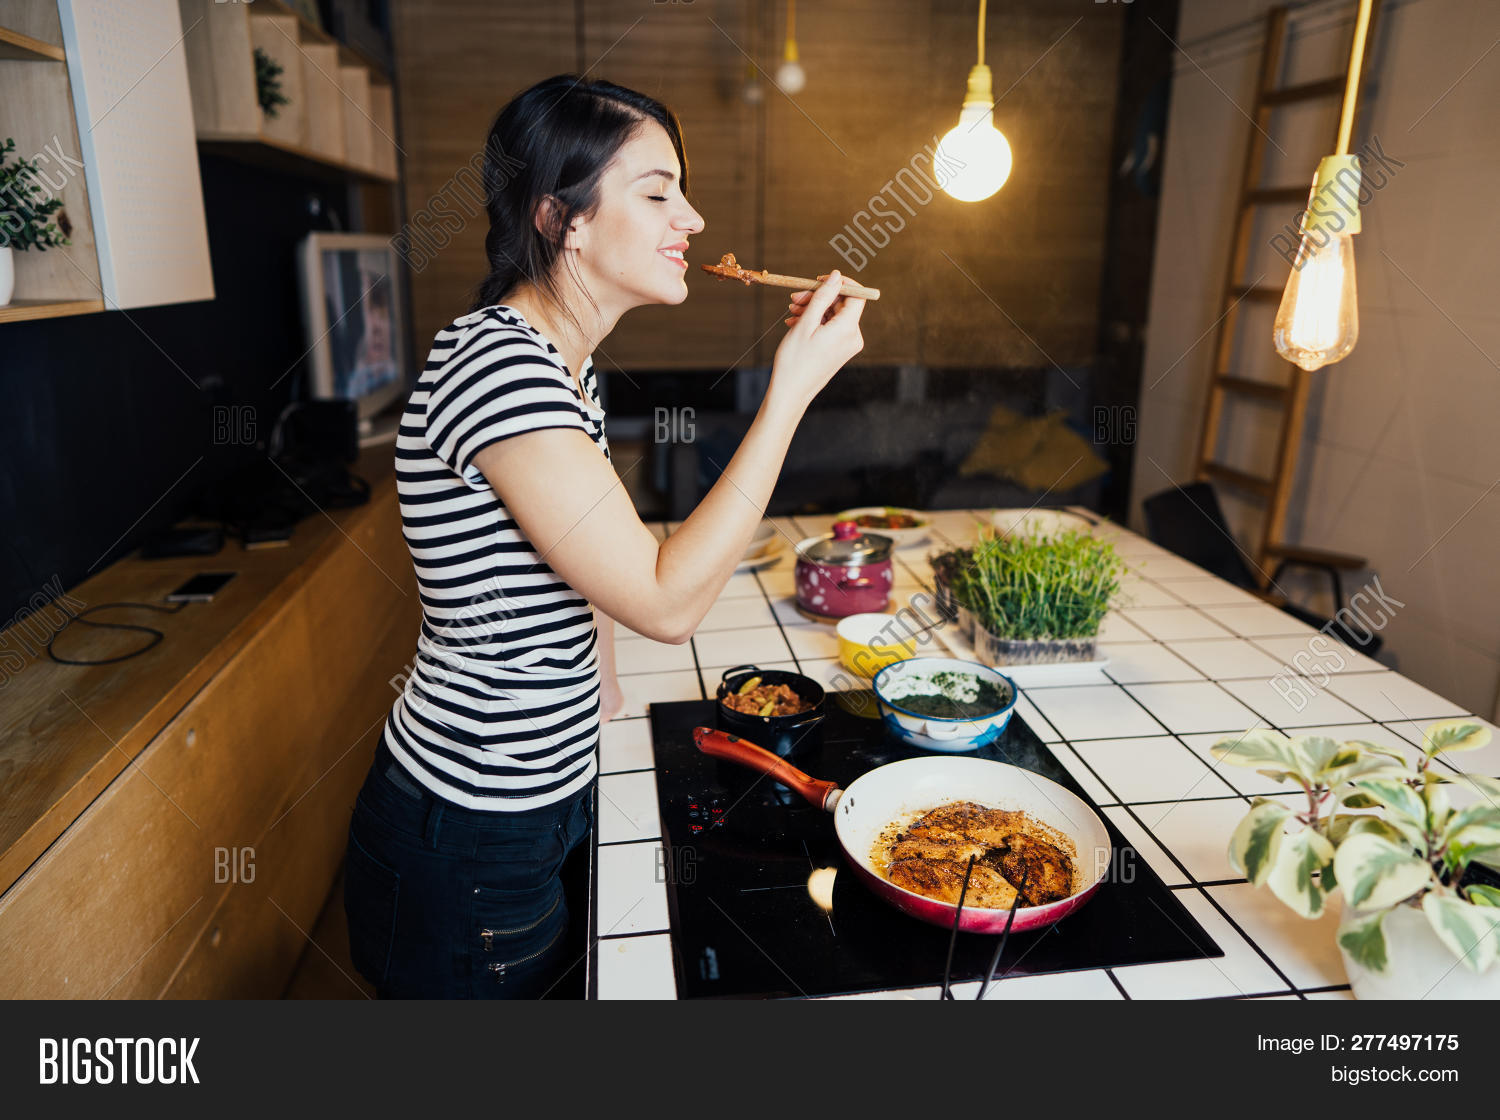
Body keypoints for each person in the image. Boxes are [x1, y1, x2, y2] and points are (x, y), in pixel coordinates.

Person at [342, 74, 865, 999]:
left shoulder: (559, 361)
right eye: (658, 194)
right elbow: (667, 603)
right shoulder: (502, 368)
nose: (692, 219)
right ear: (561, 218)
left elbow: (585, 550)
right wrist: (791, 390)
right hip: (469, 829)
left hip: (535, 796)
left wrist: (601, 687)